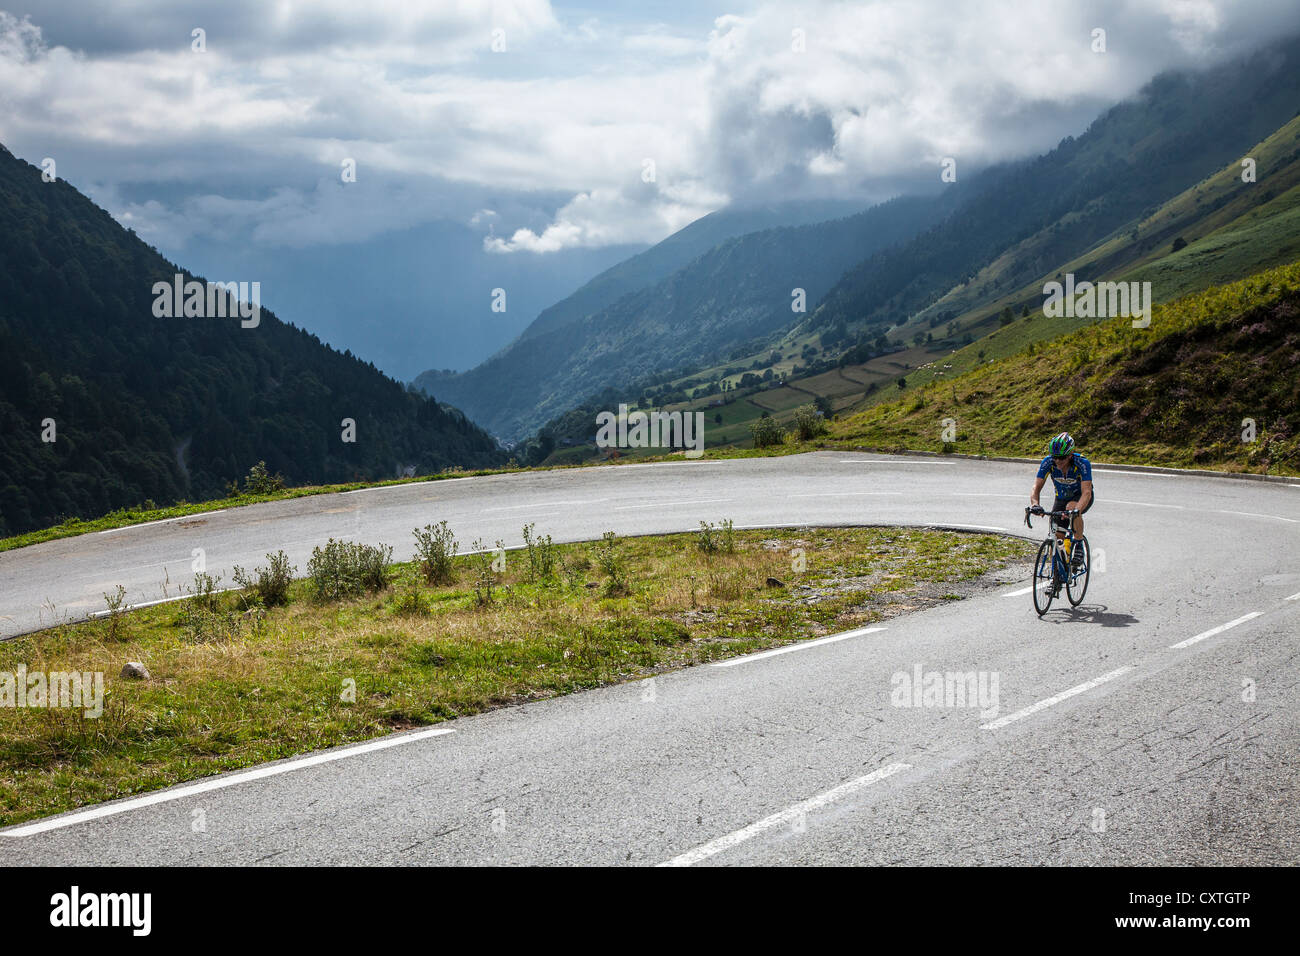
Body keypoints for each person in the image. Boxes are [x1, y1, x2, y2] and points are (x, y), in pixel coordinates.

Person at [1029, 432, 1093, 573]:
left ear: (1070, 455)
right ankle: (1058, 573)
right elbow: (1036, 487)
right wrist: (1035, 504)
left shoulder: (1082, 463)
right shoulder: (1048, 462)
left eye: (1062, 458)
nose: (1058, 461)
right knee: (1056, 537)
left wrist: (1076, 509)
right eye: (1055, 457)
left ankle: (1078, 544)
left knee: (1072, 508)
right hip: (1061, 498)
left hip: (1081, 496)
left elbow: (1087, 491)